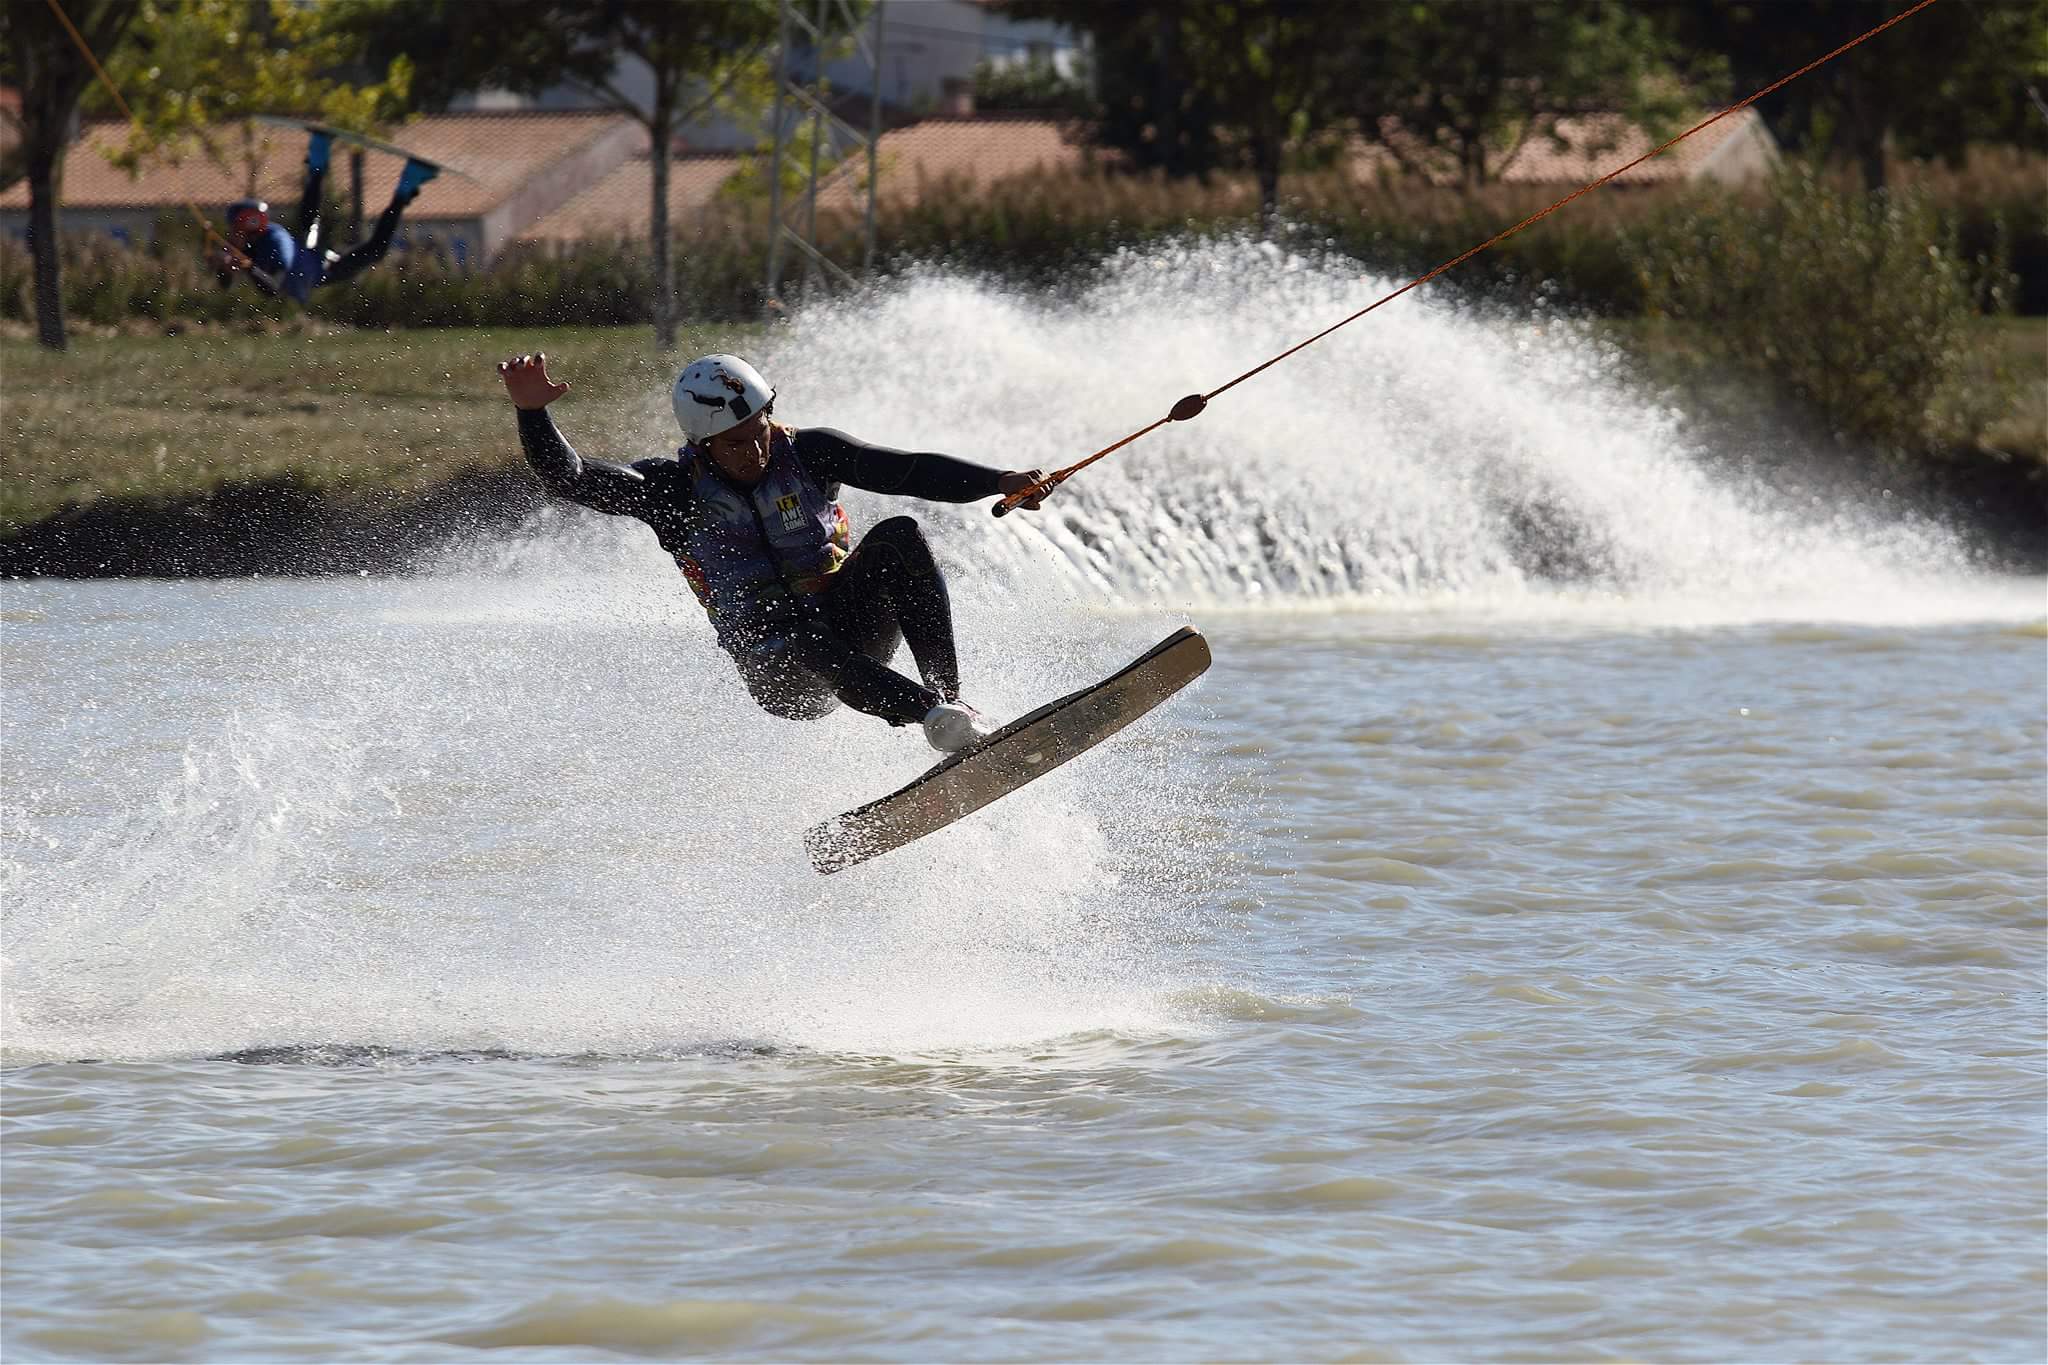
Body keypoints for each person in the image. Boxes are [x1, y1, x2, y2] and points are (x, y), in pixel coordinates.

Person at [498, 351, 1049, 753]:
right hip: (781, 673)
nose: (754, 451)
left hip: (849, 630)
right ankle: (935, 720)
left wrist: (998, 481)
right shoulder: (669, 491)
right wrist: (532, 413)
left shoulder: (811, 452)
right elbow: (574, 479)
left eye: (758, 430)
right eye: (734, 443)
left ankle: (954, 708)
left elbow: (908, 470)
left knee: (901, 536)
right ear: (700, 444)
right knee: (800, 636)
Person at [218, 129, 439, 304]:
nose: (232, 234)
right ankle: (319, 154)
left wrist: (248, 268)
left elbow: (274, 286)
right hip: (316, 264)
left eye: (236, 229)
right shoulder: (246, 248)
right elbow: (225, 284)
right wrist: (225, 268)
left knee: (375, 249)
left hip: (321, 266)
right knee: (310, 223)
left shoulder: (274, 239)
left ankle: (407, 183)